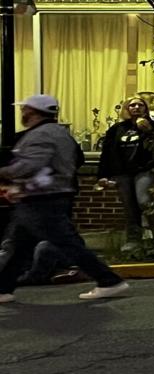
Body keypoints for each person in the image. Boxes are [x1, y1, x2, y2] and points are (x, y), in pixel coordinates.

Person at [0, 95, 130, 304]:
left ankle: (109, 281)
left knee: (65, 243)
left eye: (24, 109)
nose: (22, 113)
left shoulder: (41, 135)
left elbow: (30, 165)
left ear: (32, 112)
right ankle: (4, 288)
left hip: (43, 198)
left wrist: (5, 173)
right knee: (20, 246)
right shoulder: (60, 133)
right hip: (44, 195)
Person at [96, 96, 154, 254]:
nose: (136, 108)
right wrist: (102, 175)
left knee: (144, 201)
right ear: (126, 109)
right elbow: (107, 154)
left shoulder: (153, 125)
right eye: (132, 105)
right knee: (129, 207)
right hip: (122, 172)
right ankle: (134, 240)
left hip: (143, 170)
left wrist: (150, 131)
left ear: (146, 108)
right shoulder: (117, 129)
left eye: (140, 105)